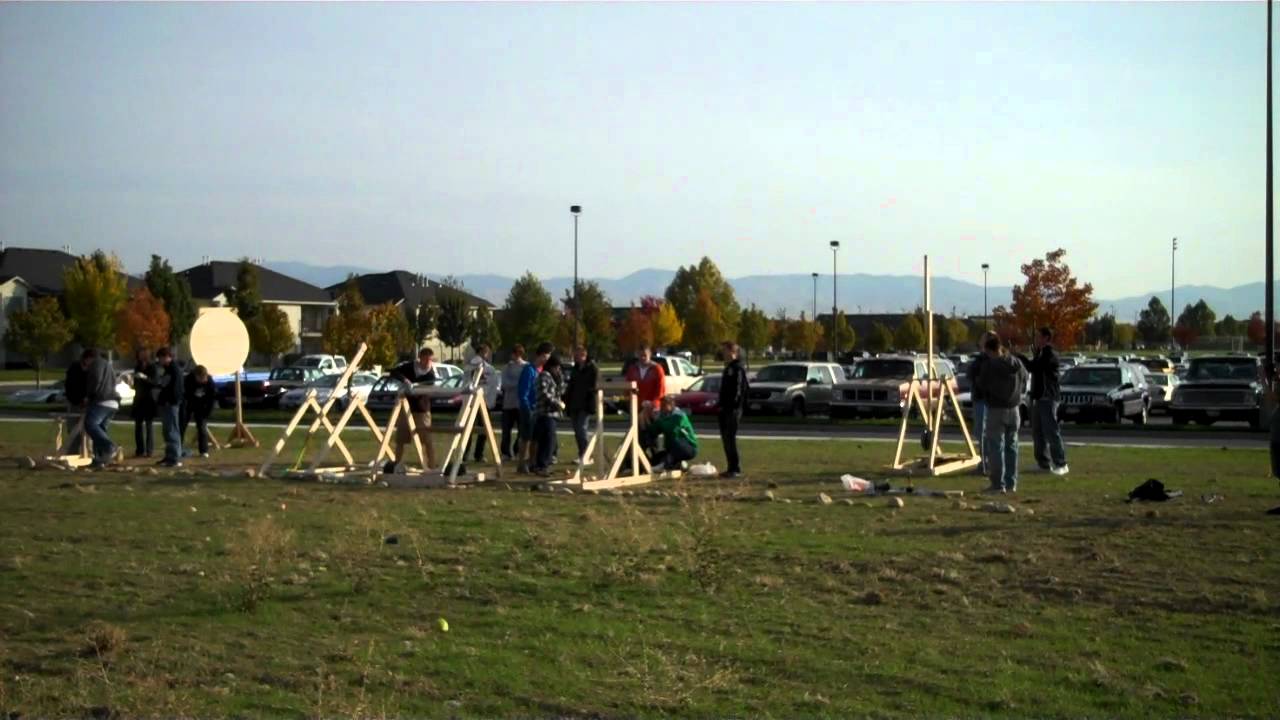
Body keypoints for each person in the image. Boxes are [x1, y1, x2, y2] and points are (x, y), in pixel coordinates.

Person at [976, 334, 1029, 494]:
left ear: (988, 350)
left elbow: (981, 384)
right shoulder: (1016, 362)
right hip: (1014, 408)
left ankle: (998, 484)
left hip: (996, 409)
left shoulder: (990, 365)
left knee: (995, 447)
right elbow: (1025, 378)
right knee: (1012, 447)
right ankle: (1011, 483)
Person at [1015, 327, 1069, 476]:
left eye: (1039, 337)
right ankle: (1043, 463)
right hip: (1038, 398)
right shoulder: (1041, 354)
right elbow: (1034, 367)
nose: (1036, 339)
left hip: (1048, 398)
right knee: (1038, 433)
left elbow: (1033, 367)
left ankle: (1061, 463)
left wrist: (1019, 356)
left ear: (1046, 338)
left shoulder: (1050, 355)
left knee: (1051, 432)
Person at [390, 347, 440, 471]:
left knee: (427, 440)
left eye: (430, 360)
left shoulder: (431, 374)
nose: (428, 362)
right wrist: (405, 380)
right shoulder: (409, 367)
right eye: (426, 359)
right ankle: (397, 465)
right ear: (420, 358)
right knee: (401, 439)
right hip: (406, 408)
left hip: (422, 410)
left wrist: (415, 391)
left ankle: (432, 466)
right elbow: (394, 372)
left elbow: (429, 389)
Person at [82, 349, 122, 468]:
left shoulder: (97, 364)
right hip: (113, 402)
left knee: (90, 424)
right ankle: (100, 459)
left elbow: (96, 380)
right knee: (100, 430)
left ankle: (110, 446)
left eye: (85, 362)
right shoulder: (108, 365)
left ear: (89, 358)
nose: (86, 365)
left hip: (102, 400)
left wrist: (89, 396)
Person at [516, 342, 552, 473]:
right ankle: (522, 463)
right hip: (529, 408)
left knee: (536, 438)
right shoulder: (529, 370)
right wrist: (526, 407)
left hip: (540, 410)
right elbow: (523, 392)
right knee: (526, 437)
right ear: (541, 355)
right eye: (546, 357)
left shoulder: (543, 371)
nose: (547, 360)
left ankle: (532, 462)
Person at [717, 341, 749, 478]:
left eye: (725, 350)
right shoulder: (728, 368)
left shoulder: (737, 368)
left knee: (730, 438)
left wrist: (734, 405)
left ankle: (735, 468)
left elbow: (739, 389)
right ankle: (730, 467)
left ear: (732, 352)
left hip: (733, 409)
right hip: (724, 408)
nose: (723, 353)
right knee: (725, 438)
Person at [529, 353, 565, 477]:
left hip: (552, 414)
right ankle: (541, 466)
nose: (558, 370)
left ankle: (542, 465)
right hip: (544, 413)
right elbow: (544, 393)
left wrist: (560, 379)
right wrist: (556, 403)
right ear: (551, 366)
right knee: (547, 441)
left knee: (548, 440)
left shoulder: (554, 377)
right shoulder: (544, 375)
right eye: (557, 367)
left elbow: (560, 391)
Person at [967, 331, 997, 476]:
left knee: (984, 432)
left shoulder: (988, 359)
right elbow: (970, 374)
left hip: (985, 399)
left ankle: (987, 463)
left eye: (984, 339)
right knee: (981, 432)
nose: (981, 342)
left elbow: (974, 375)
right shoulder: (981, 358)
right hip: (981, 398)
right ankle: (985, 462)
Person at [643, 394, 699, 471]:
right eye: (661, 405)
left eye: (664, 405)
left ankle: (666, 464)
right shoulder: (664, 416)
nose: (661, 408)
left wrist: (658, 420)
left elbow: (672, 429)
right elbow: (654, 429)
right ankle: (679, 464)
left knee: (675, 443)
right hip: (674, 449)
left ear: (671, 405)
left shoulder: (679, 416)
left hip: (689, 448)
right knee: (656, 458)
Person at [564, 345, 598, 463]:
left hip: (586, 403)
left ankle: (587, 455)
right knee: (576, 430)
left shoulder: (592, 368)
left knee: (581, 429)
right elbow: (571, 385)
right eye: (575, 355)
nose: (576, 357)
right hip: (574, 403)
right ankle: (582, 454)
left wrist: (591, 401)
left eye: (577, 355)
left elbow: (595, 386)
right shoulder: (575, 369)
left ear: (584, 354)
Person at [153, 346, 185, 467]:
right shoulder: (168, 369)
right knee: (167, 431)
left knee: (172, 430)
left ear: (167, 357)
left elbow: (176, 388)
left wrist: (170, 401)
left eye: (161, 358)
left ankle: (175, 457)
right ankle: (169, 456)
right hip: (167, 403)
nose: (160, 361)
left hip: (171, 404)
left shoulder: (174, 369)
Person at [499, 345, 528, 461]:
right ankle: (505, 452)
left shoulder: (526, 367)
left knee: (522, 430)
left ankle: (517, 450)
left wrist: (517, 384)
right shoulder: (507, 367)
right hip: (508, 403)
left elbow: (526, 383)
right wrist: (518, 383)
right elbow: (504, 384)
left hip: (521, 403)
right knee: (506, 430)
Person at [60, 350, 91, 455]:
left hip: (87, 404)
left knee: (87, 431)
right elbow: (70, 386)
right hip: (74, 402)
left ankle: (88, 453)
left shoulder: (92, 370)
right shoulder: (74, 369)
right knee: (73, 430)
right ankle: (72, 453)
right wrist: (76, 400)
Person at [183, 365, 217, 458]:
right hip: (188, 404)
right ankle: (178, 447)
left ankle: (203, 451)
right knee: (182, 426)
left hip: (202, 406)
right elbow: (185, 395)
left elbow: (212, 399)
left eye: (204, 377)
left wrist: (207, 413)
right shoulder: (188, 380)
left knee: (202, 428)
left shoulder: (210, 382)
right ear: (196, 376)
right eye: (201, 378)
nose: (203, 380)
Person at [129, 348, 157, 458]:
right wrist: (132, 382)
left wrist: (144, 377)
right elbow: (136, 385)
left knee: (149, 425)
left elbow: (155, 382)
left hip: (149, 399)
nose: (140, 357)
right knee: (138, 425)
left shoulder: (152, 367)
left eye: (142, 354)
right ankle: (140, 450)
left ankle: (149, 450)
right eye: (139, 355)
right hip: (139, 399)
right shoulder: (137, 367)